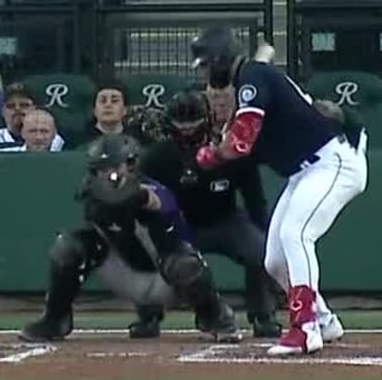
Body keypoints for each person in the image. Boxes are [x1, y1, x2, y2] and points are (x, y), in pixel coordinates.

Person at [190, 26, 368, 357]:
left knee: (296, 235)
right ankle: (325, 320)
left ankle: (305, 327)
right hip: (305, 172)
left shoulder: (254, 75)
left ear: (220, 57)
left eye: (206, 62)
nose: (205, 71)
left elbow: (241, 143)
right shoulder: (251, 80)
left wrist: (213, 154)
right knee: (274, 261)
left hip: (333, 162)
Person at [19, 133, 241, 343]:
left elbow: (156, 201)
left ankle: (215, 316)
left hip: (166, 280)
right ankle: (55, 320)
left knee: (185, 264)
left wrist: (136, 196)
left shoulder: (152, 189)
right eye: (101, 170)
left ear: (132, 165)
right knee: (67, 247)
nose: (108, 175)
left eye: (114, 168)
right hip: (125, 274)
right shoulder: (92, 197)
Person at [135, 89, 281, 339]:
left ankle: (263, 315)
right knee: (146, 252)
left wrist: (266, 235)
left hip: (225, 220)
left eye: (194, 122)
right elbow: (142, 207)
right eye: (181, 123)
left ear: (208, 120)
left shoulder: (231, 152)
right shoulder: (156, 157)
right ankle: (149, 317)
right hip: (178, 225)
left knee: (259, 253)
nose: (188, 129)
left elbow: (255, 199)